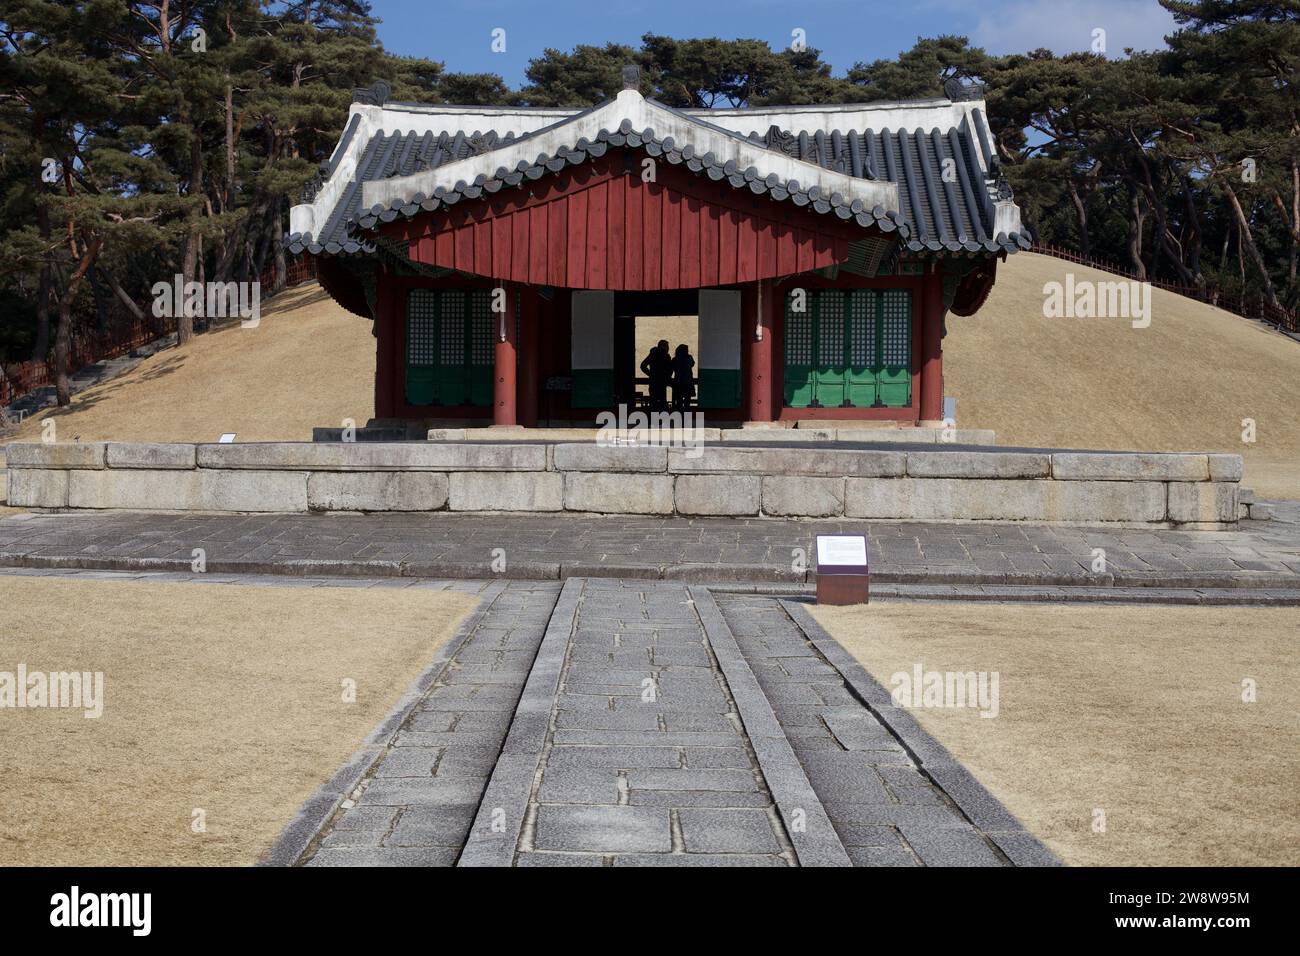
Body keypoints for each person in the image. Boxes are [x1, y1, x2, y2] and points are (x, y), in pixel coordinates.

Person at [640, 339, 671, 411]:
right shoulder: (666, 356)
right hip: (662, 382)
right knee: (662, 401)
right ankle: (662, 418)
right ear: (663, 346)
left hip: (653, 381)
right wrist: (667, 376)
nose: (668, 348)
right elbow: (670, 369)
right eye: (667, 346)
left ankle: (653, 418)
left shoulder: (652, 354)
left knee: (653, 400)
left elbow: (643, 366)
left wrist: (650, 374)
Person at [671, 343, 695, 411]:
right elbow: (692, 364)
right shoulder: (689, 358)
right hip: (688, 382)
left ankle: (679, 416)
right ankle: (686, 416)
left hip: (678, 382)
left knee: (679, 401)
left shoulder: (675, 359)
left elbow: (671, 369)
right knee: (687, 401)